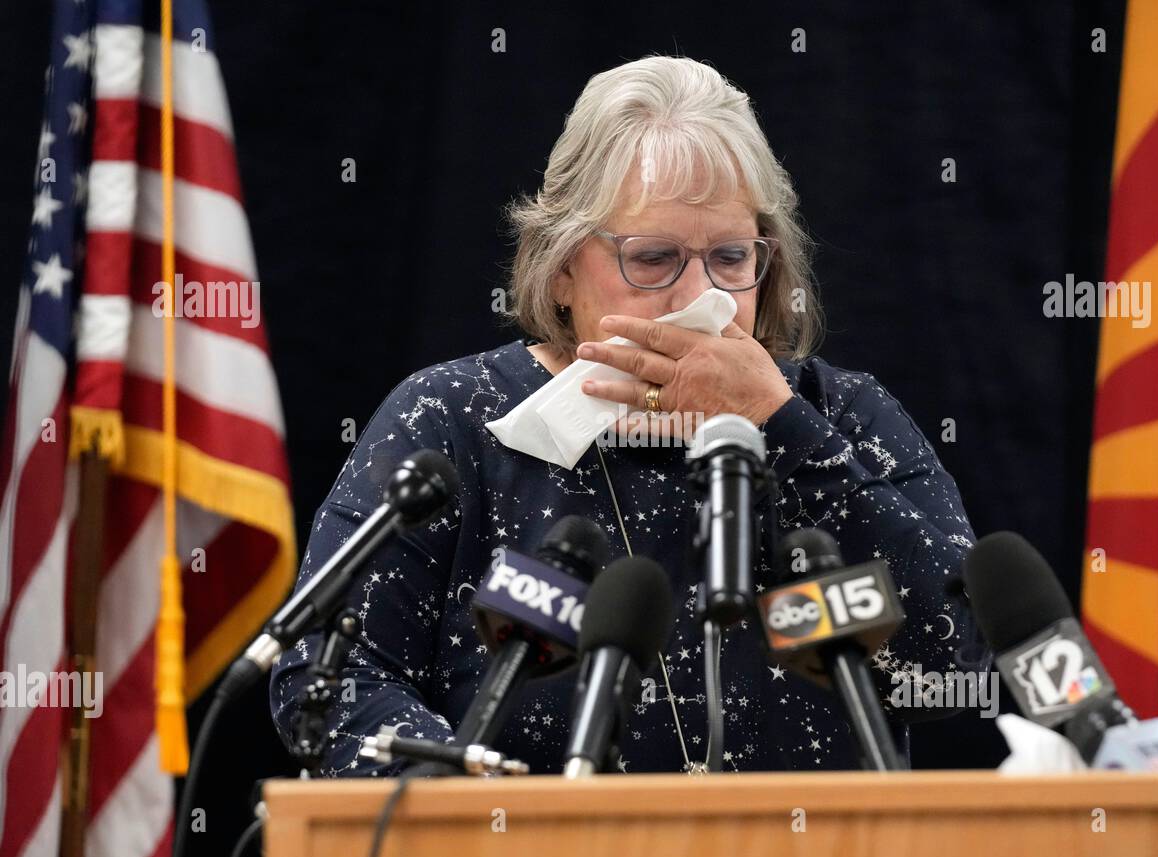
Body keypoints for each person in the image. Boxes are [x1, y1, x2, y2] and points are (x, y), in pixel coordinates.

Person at [270, 55, 979, 775]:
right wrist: (476, 815)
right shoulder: (450, 421)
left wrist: (778, 423)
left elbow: (958, 667)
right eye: (653, 258)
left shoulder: (843, 418)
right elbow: (330, 680)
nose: (698, 297)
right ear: (561, 268)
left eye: (731, 258)